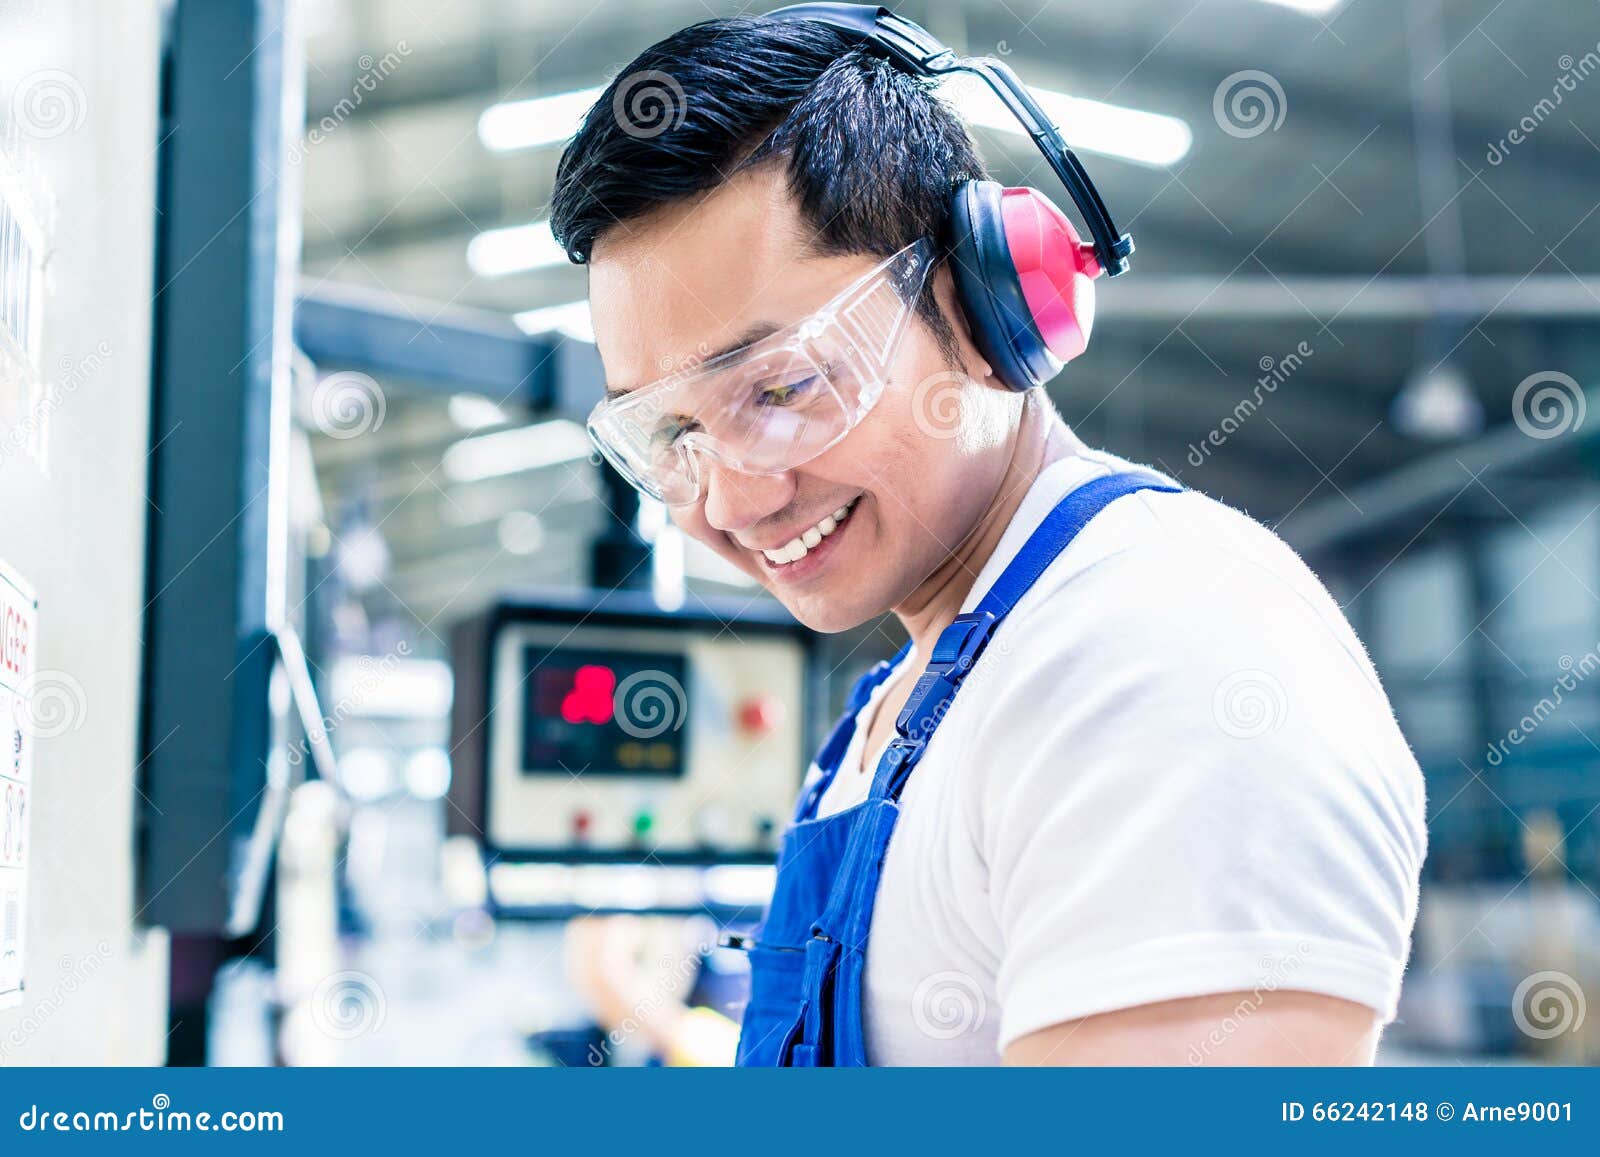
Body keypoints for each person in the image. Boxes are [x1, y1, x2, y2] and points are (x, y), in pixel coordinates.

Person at [550, 6, 1426, 1066]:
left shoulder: (1159, 656)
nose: (732, 503)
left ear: (982, 300)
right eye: (672, 433)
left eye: (780, 388)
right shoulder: (903, 706)